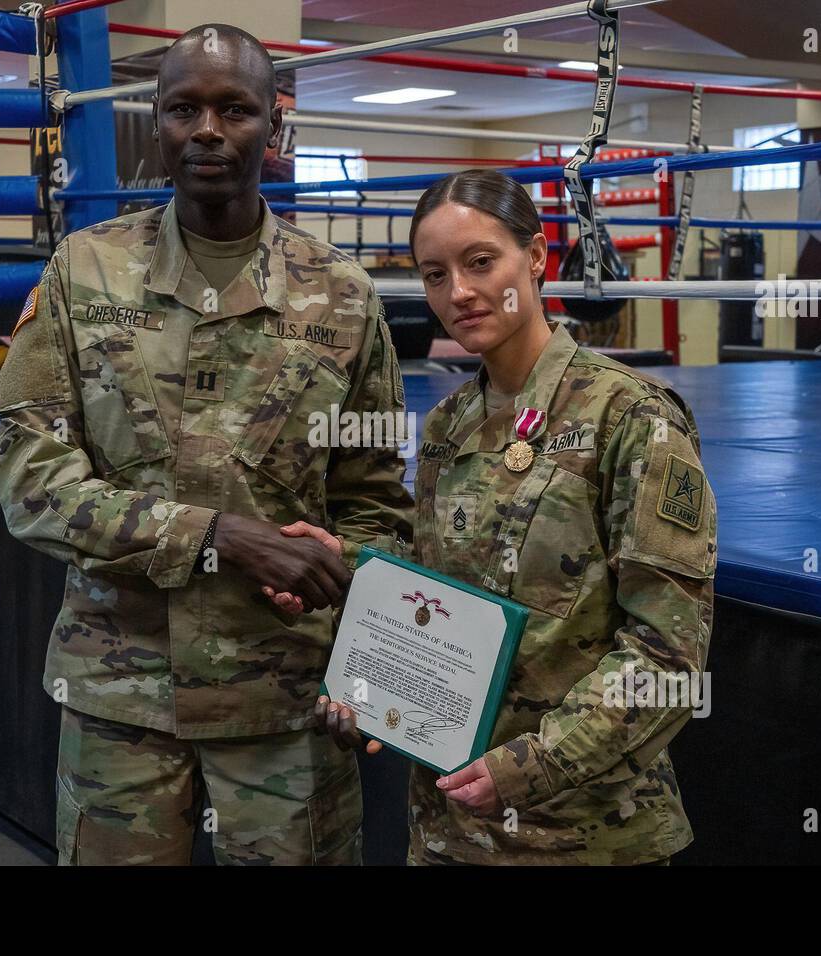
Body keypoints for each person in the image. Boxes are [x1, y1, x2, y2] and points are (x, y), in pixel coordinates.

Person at [0, 23, 413, 866]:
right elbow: (31, 484)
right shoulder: (83, 272)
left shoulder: (344, 298)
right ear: (159, 122)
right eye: (184, 108)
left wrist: (350, 603)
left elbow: (378, 507)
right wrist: (215, 536)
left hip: (286, 706)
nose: (209, 130)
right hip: (123, 698)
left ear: (275, 126)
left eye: (236, 109)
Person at [296, 169, 717, 865]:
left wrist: (533, 767)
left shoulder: (630, 417)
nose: (458, 292)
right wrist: (355, 626)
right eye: (435, 275)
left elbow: (668, 659)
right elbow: (435, 600)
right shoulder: (447, 424)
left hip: (582, 837)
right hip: (448, 832)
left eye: (480, 262)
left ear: (539, 258)